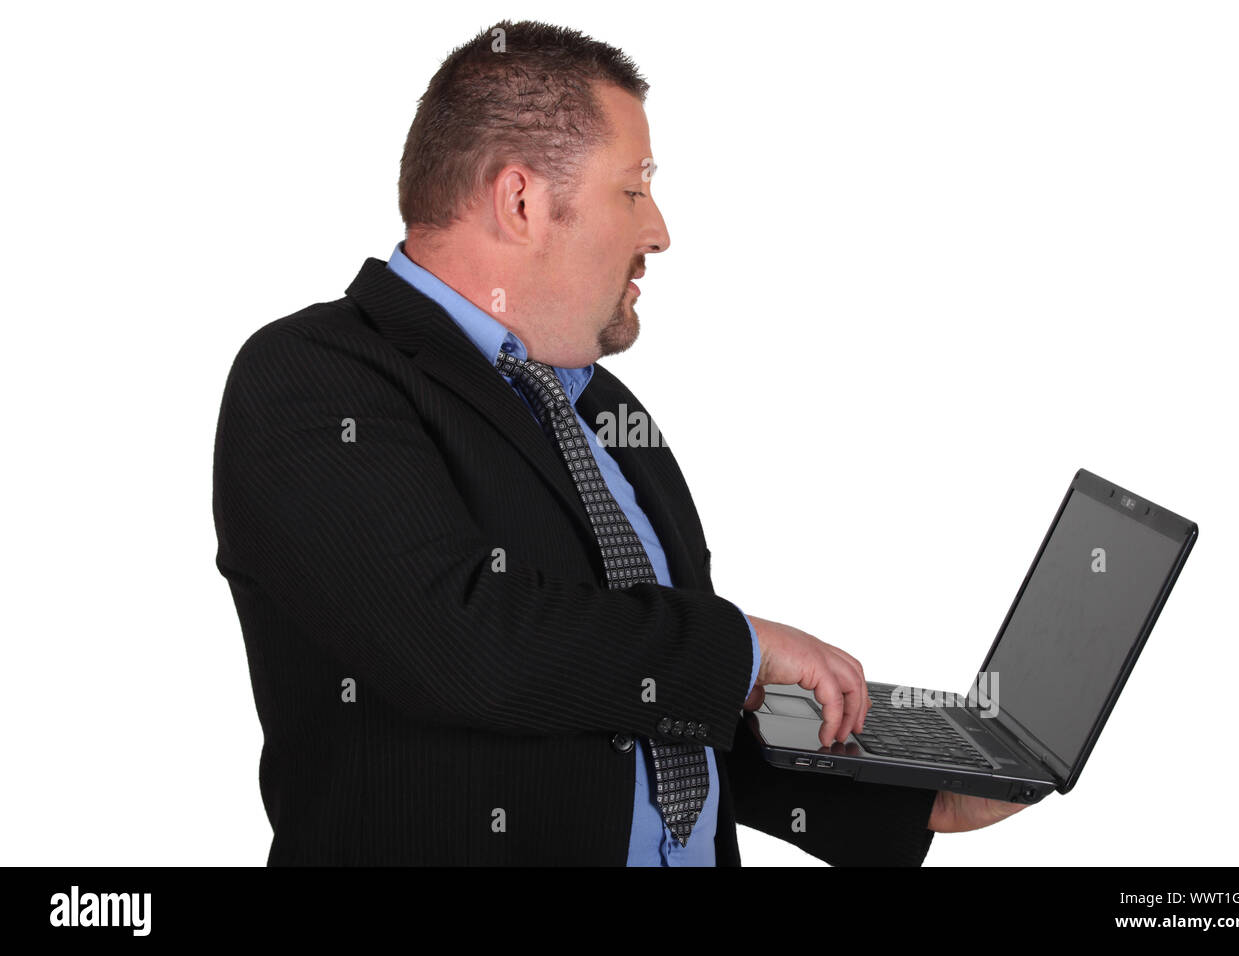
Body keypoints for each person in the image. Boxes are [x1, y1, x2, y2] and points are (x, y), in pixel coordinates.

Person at [211, 19, 1025, 866]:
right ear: (520, 200)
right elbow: (464, 646)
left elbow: (637, 700)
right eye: (633, 189)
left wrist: (910, 794)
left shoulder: (599, 408)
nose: (660, 230)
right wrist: (742, 651)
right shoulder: (314, 379)